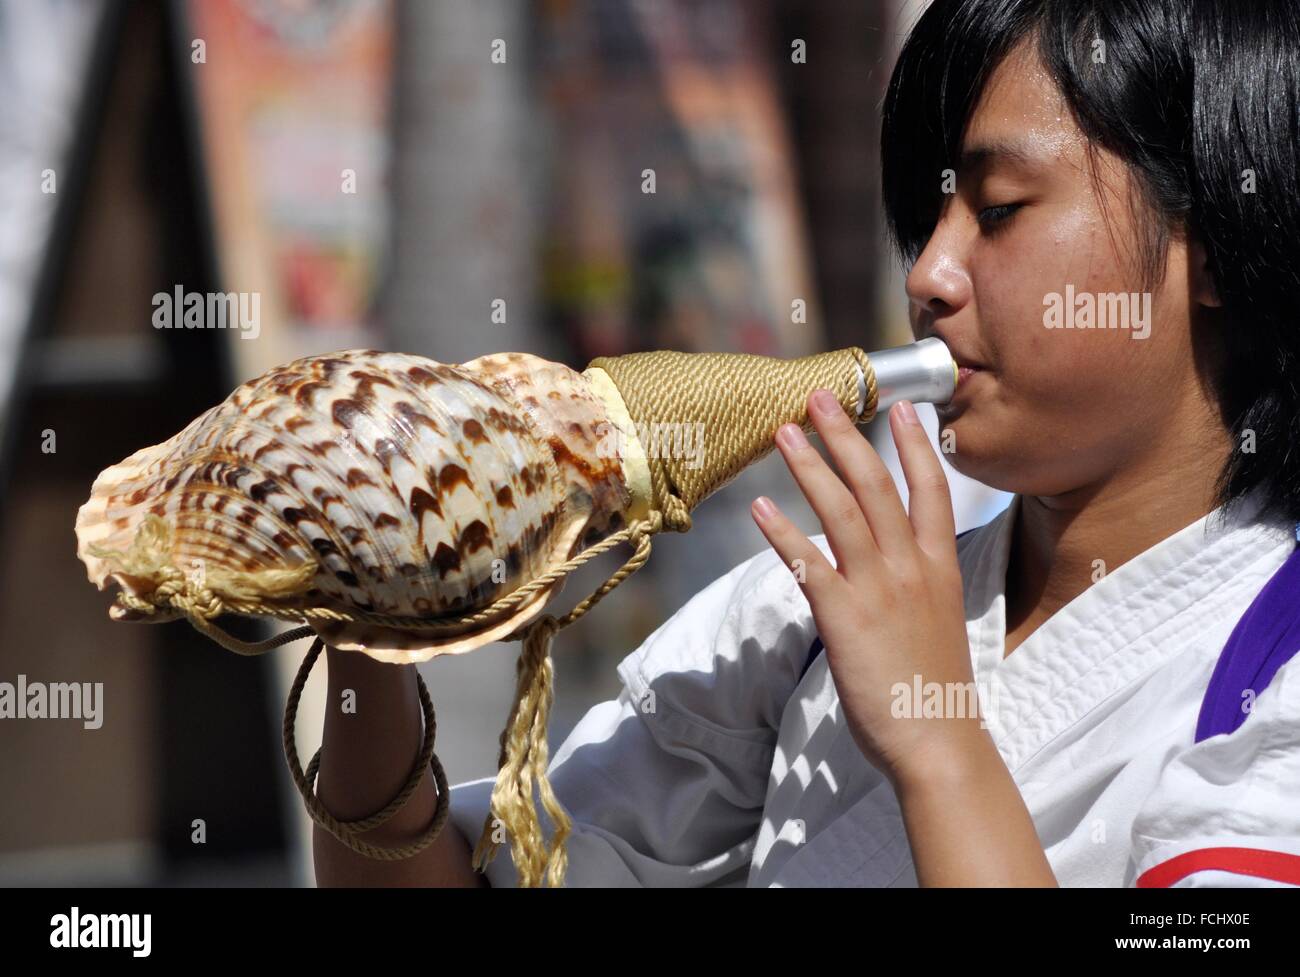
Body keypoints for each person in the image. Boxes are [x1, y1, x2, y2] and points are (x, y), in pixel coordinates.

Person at [312, 0, 1300, 887]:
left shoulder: (1276, 669)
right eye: (929, 218)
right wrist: (362, 639)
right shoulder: (804, 614)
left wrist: (936, 739)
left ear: (1208, 243)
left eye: (997, 210)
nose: (930, 273)